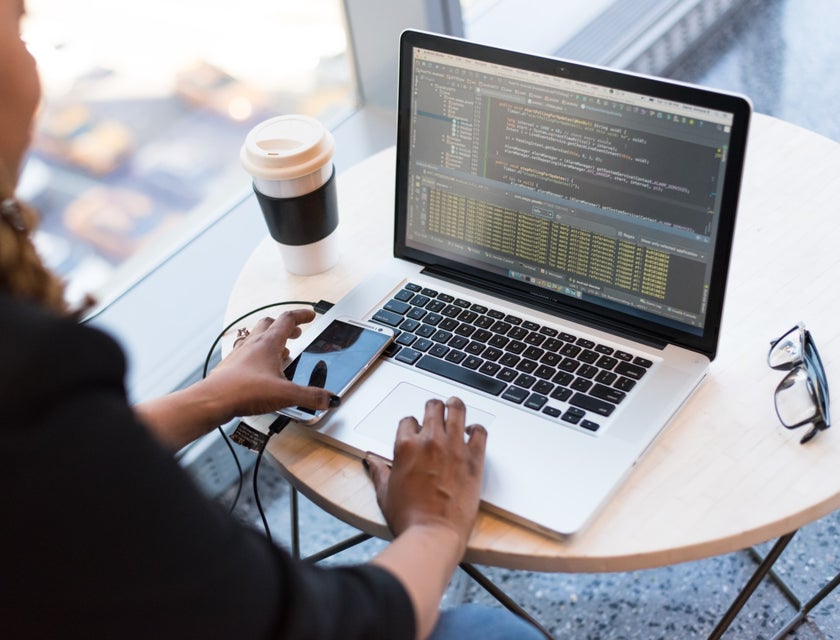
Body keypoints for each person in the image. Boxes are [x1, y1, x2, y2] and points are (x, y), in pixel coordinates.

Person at [0, 1, 545, 638]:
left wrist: (208, 398)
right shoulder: (31, 375)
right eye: (17, 25)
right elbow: (319, 626)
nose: (31, 58)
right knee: (487, 630)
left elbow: (48, 468)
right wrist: (434, 526)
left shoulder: (32, 406)